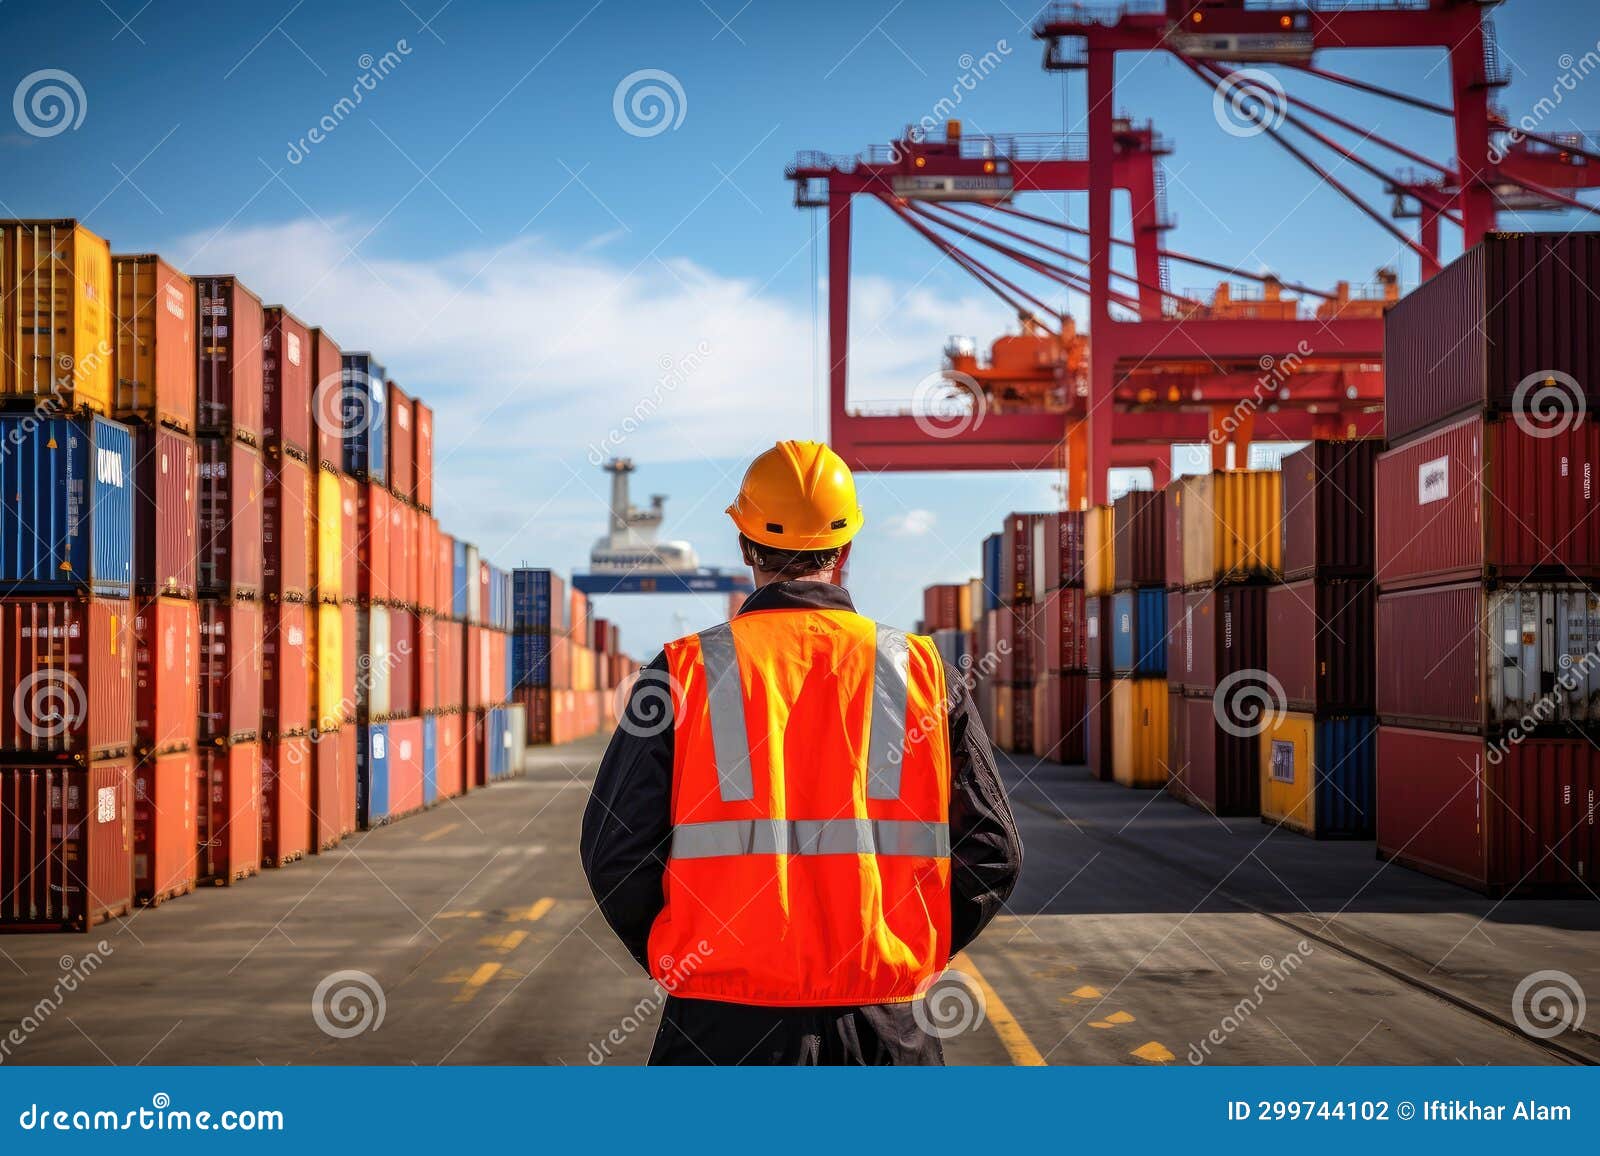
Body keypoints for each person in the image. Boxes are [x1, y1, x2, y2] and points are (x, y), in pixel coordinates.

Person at [580, 440, 1021, 1065]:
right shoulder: (922, 673)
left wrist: (687, 957)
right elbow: (993, 852)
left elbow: (613, 852)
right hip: (883, 1030)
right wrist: (900, 950)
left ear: (743, 545)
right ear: (845, 550)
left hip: (719, 1029)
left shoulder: (682, 671)